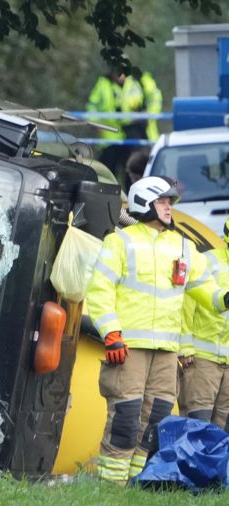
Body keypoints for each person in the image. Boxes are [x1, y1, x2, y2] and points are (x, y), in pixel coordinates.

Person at [86, 176, 229, 484]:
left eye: (169, 203)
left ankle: (137, 481)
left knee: (157, 418)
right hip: (129, 345)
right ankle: (112, 485)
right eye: (163, 202)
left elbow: (205, 289)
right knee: (126, 414)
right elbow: (100, 290)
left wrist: (224, 298)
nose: (168, 208)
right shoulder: (120, 241)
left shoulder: (183, 246)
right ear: (144, 203)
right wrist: (111, 333)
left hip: (166, 351)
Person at [179, 219, 229, 429]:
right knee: (197, 422)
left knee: (222, 429)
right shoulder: (208, 262)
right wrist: (185, 345)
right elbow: (186, 304)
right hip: (202, 358)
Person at [86, 68, 163, 186]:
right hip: (112, 136)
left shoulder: (140, 79)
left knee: (134, 171)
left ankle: (133, 198)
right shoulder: (103, 83)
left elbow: (155, 98)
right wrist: (94, 123)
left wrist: (149, 114)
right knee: (108, 173)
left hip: (137, 133)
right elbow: (92, 106)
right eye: (116, 72)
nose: (120, 75)